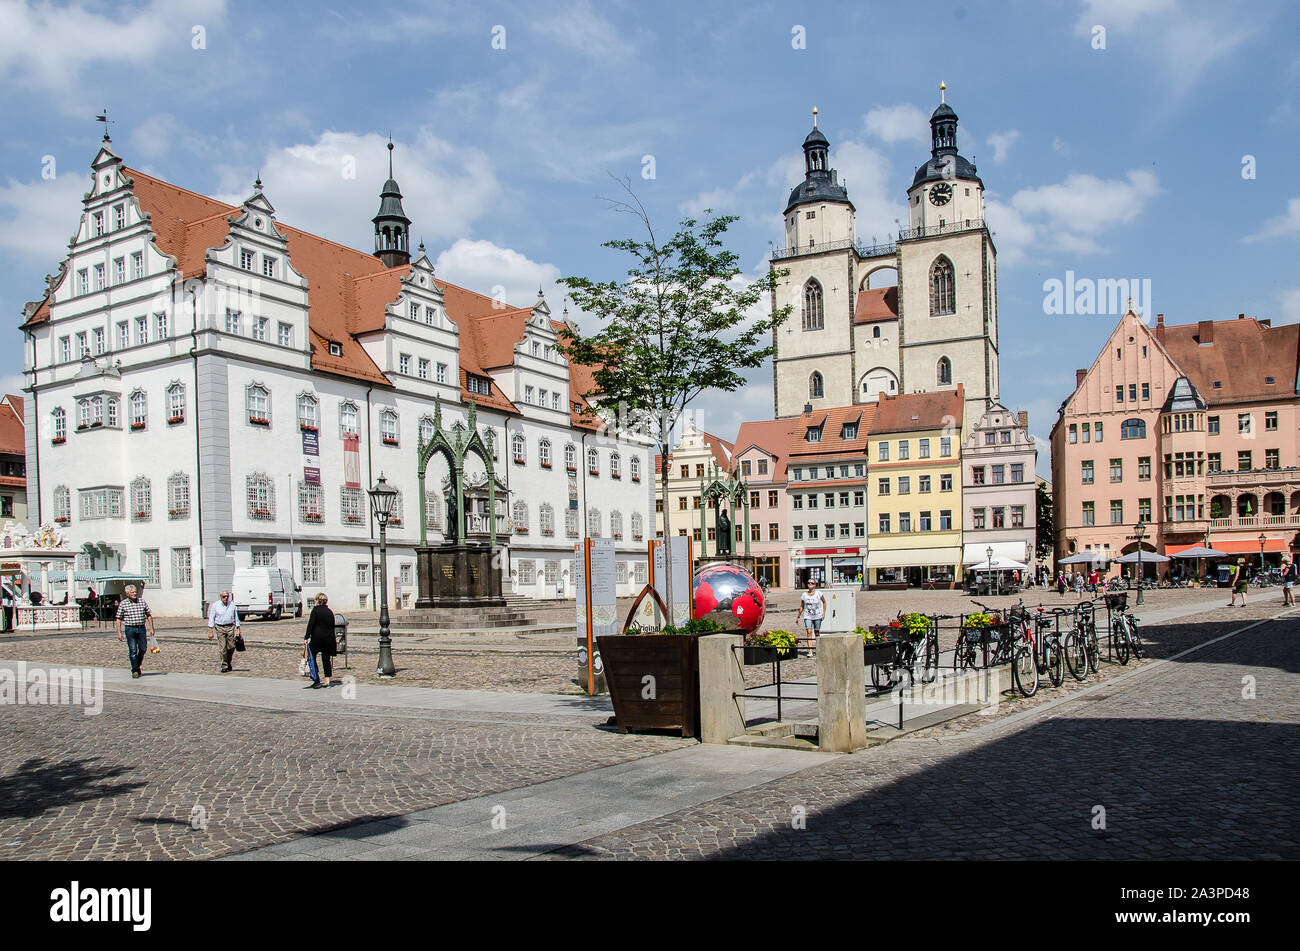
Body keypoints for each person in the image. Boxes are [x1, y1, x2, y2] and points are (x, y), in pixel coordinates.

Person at [115, 583, 156, 679]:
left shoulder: (142, 601)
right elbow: (118, 618)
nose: (135, 593)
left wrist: (151, 627)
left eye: (135, 592)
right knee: (133, 650)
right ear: (127, 593)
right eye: (132, 592)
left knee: (143, 649)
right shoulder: (123, 604)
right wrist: (119, 632)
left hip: (141, 628)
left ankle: (137, 666)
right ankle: (135, 670)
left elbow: (148, 614)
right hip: (130, 629)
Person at [303, 592, 337, 688]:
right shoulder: (329, 611)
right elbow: (332, 626)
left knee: (311, 656)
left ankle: (316, 677)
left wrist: (306, 637)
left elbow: (311, 624)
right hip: (328, 639)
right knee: (326, 659)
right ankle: (327, 679)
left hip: (317, 638)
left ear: (318, 600)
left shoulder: (315, 611)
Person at [207, 589, 242, 673]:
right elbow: (211, 618)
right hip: (220, 628)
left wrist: (238, 628)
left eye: (227, 596)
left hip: (230, 627)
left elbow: (236, 617)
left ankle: (228, 661)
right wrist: (210, 631)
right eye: (224, 597)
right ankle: (224, 665)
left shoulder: (232, 605)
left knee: (231, 647)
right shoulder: (216, 605)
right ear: (220, 597)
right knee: (222, 648)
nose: (226, 598)